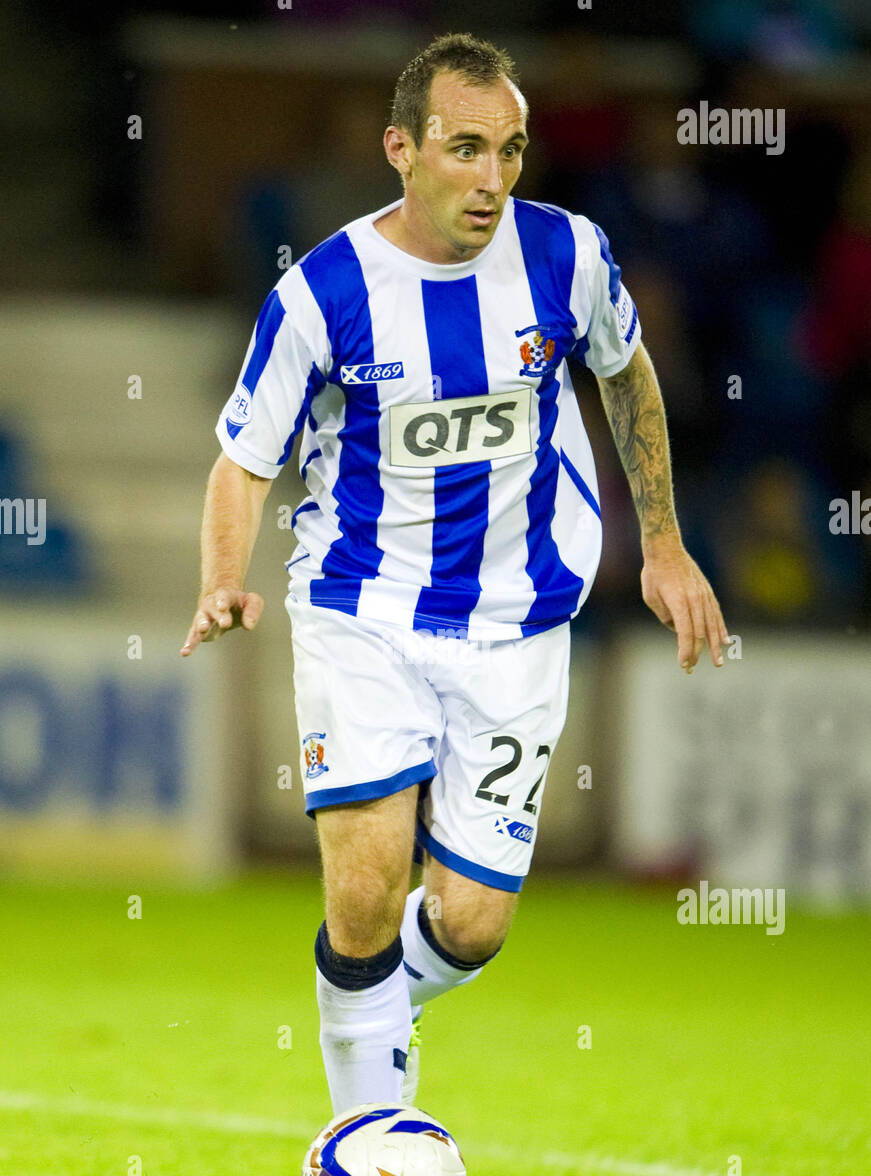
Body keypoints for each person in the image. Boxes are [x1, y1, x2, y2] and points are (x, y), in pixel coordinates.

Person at [181, 33, 728, 1118]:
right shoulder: (321, 291)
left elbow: (628, 376)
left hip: (518, 618)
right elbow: (245, 458)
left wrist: (662, 542)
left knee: (471, 923)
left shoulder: (567, 256)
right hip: (361, 607)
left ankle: (365, 1006)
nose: (491, 178)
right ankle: (364, 1139)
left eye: (511, 151)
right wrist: (220, 576)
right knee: (365, 888)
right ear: (401, 147)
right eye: (466, 148)